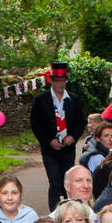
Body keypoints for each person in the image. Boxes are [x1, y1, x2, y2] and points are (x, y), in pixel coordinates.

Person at [29, 62, 86, 210]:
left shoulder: (74, 99)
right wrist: (49, 141)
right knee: (55, 183)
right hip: (50, 150)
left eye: (64, 81)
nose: (61, 84)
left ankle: (69, 211)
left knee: (67, 182)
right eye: (58, 81)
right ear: (52, 81)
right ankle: (54, 214)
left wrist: (72, 137)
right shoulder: (41, 100)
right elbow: (36, 124)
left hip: (68, 149)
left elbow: (81, 122)